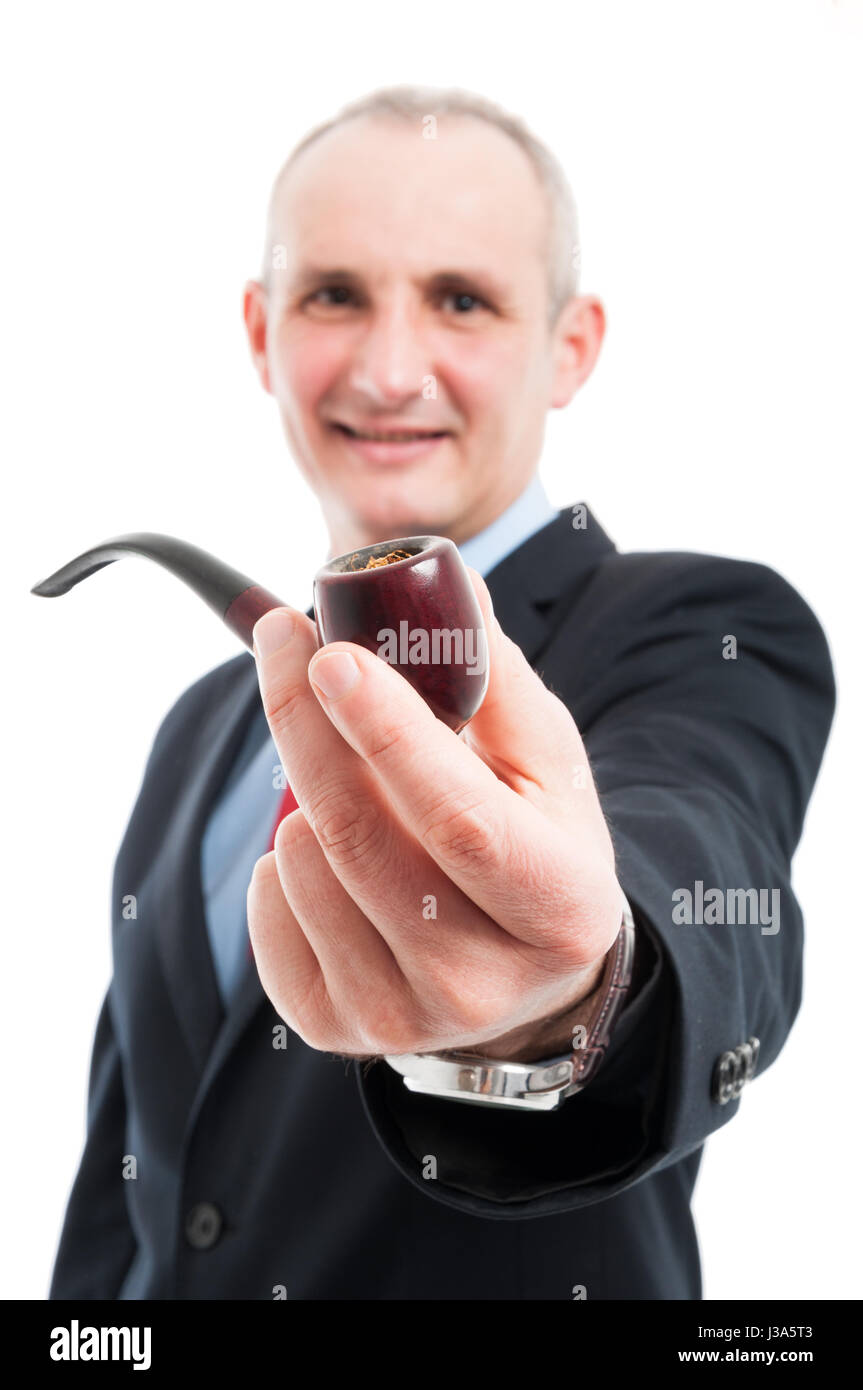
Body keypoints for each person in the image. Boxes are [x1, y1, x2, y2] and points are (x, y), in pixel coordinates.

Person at [49, 85, 835, 1301]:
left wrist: (567, 999)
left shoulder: (696, 626)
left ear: (567, 348)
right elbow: (129, 1175)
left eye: (460, 300)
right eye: (334, 296)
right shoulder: (205, 722)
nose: (391, 366)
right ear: (260, 332)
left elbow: (696, 852)